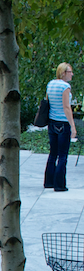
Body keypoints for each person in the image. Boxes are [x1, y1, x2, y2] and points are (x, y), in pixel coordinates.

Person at [44, 63, 76, 192]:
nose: (72, 74)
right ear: (63, 73)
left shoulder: (50, 84)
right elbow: (66, 107)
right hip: (63, 123)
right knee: (63, 155)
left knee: (53, 153)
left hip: (52, 122)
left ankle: (49, 181)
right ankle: (59, 184)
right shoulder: (65, 87)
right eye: (70, 71)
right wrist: (73, 126)